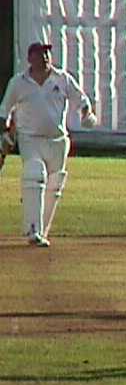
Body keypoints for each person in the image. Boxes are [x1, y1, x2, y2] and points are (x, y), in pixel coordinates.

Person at [0, 42, 96, 247]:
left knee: (55, 184)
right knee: (35, 173)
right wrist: (5, 136)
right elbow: (4, 111)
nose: (44, 57)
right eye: (39, 53)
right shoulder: (19, 82)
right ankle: (33, 230)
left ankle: (41, 230)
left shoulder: (62, 78)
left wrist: (87, 113)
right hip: (30, 139)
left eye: (46, 53)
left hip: (58, 141)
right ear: (29, 58)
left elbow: (82, 100)